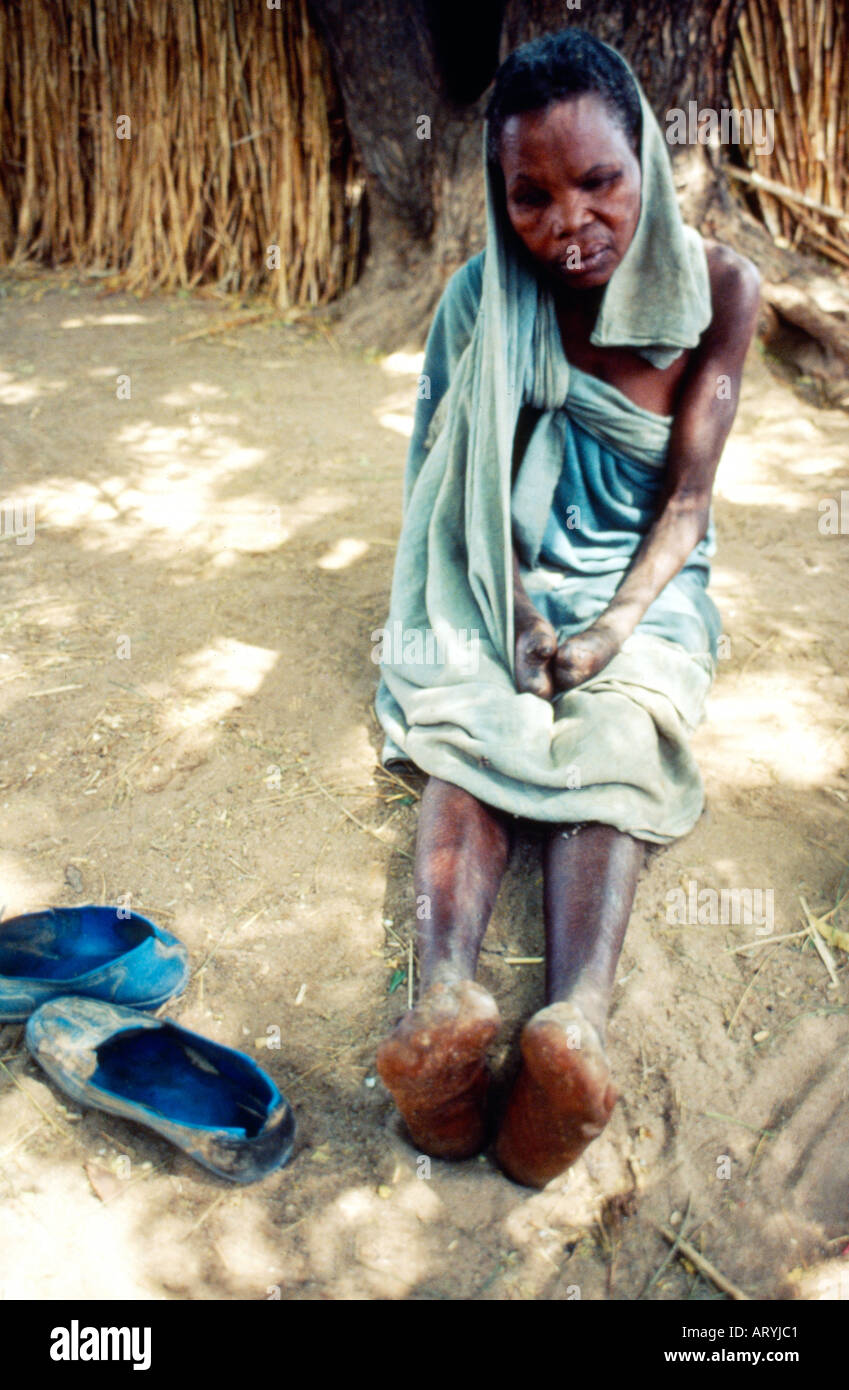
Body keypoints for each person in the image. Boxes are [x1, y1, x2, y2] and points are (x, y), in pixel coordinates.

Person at [373, 30, 760, 1188]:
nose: (570, 221)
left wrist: (607, 633)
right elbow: (473, 484)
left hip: (642, 580)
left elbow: (687, 505)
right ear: (500, 200)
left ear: (644, 155)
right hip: (513, 565)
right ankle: (442, 1005)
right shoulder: (482, 299)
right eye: (530, 196)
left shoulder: (722, 290)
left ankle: (572, 1033)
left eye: (600, 180)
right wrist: (528, 616)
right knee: (475, 714)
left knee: (619, 730)